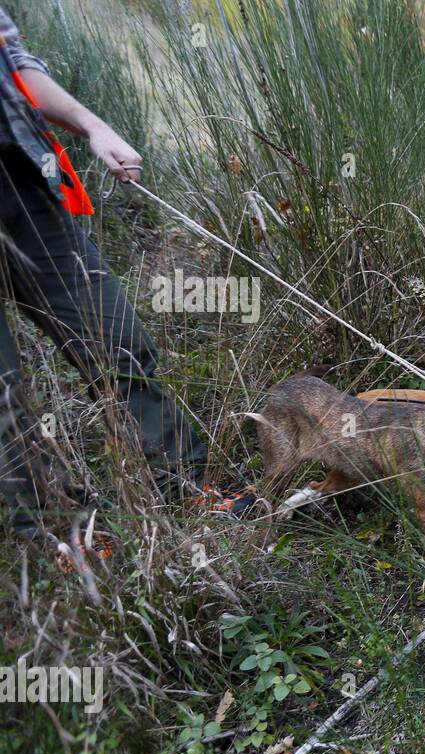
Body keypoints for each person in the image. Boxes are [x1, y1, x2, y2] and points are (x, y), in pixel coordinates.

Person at [0, 8, 243, 548]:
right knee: (4, 397)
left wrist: (94, 125)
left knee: (118, 343)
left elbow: (12, 60)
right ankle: (63, 542)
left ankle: (185, 488)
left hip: (18, 181)